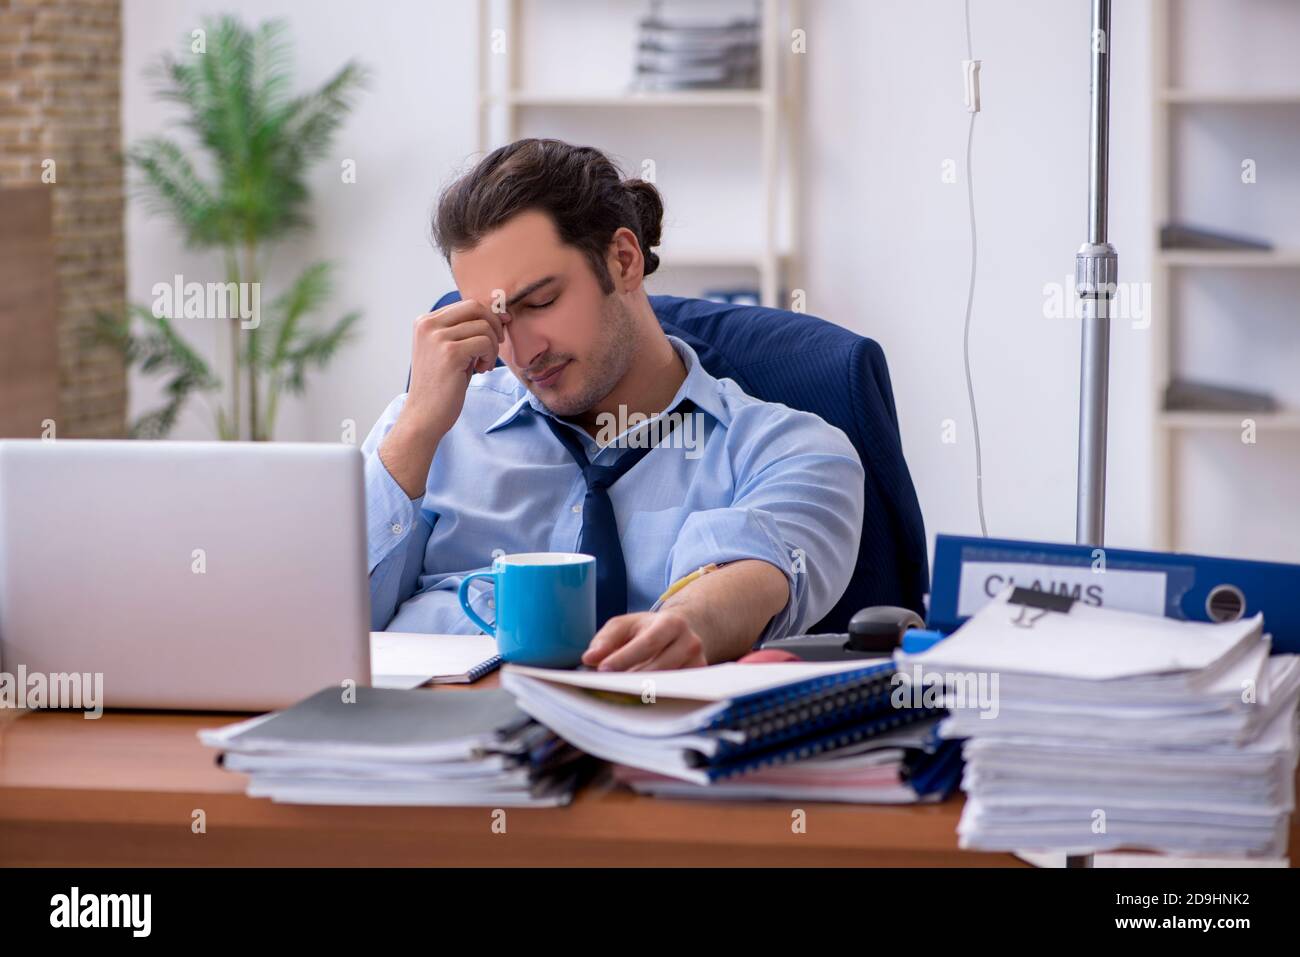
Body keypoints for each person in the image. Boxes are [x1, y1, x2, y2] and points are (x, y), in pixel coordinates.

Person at [363, 138, 864, 671]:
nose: (523, 353)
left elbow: (749, 576)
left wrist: (688, 622)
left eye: (541, 302)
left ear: (623, 261)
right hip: (413, 736)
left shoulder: (786, 450)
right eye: (497, 321)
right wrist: (417, 429)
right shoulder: (425, 428)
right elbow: (318, 623)